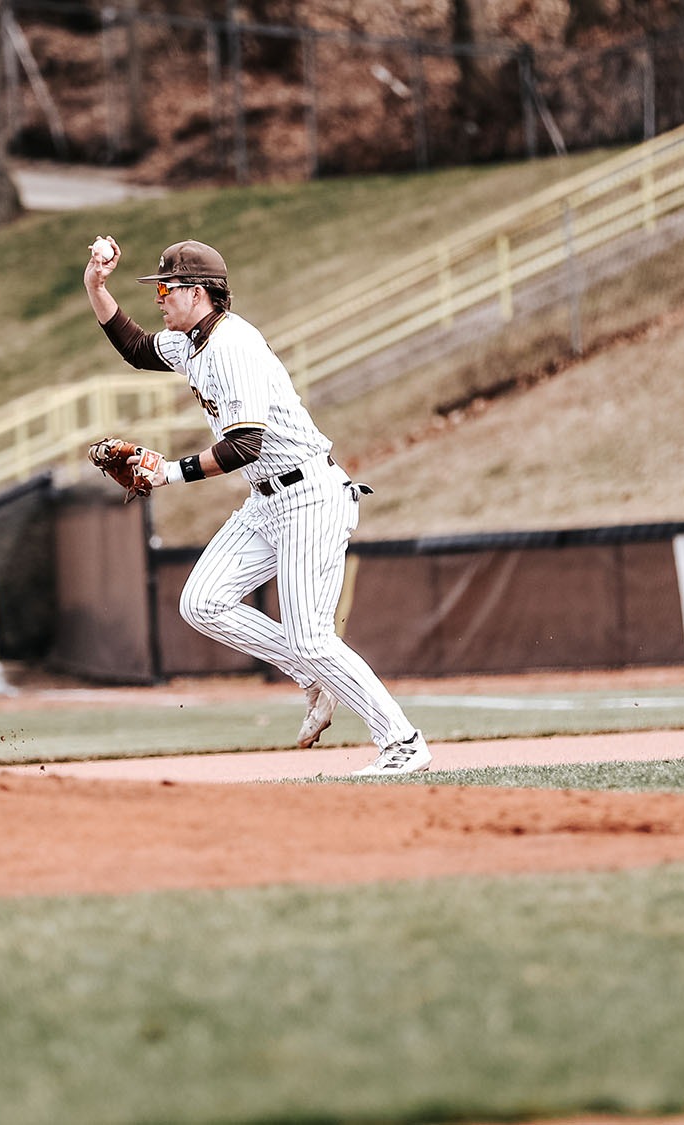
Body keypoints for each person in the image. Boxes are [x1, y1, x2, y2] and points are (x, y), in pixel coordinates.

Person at [82, 238, 431, 775]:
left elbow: (246, 444)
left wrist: (167, 473)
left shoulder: (232, 345)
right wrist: (95, 286)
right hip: (268, 500)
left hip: (309, 496)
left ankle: (403, 744)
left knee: (311, 633)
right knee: (201, 602)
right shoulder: (194, 340)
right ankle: (314, 675)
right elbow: (136, 348)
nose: (159, 298)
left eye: (166, 289)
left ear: (196, 293)